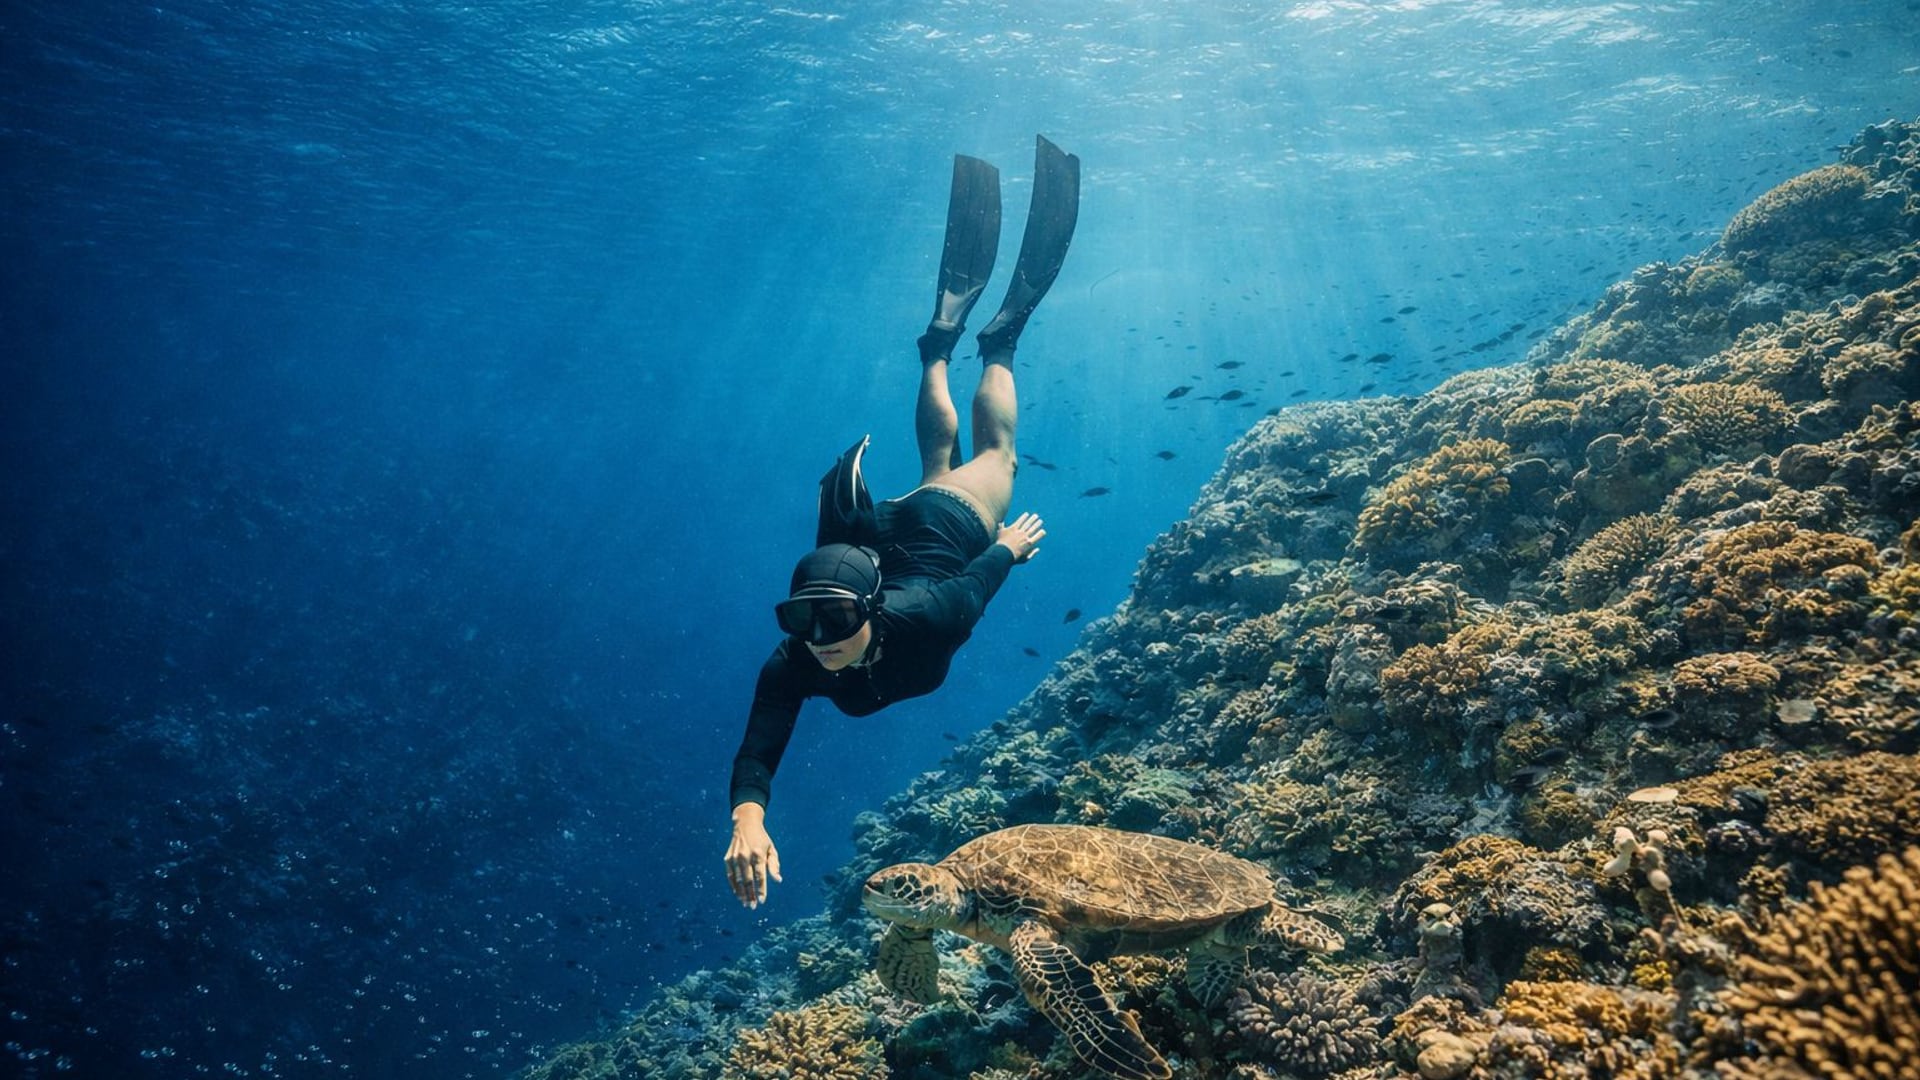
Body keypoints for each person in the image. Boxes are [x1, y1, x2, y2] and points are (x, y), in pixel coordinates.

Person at [725, 136, 1081, 909]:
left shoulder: (925, 615)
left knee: (995, 456)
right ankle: (935, 352)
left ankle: (997, 344)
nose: (818, 643)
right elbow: (760, 747)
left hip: (949, 530)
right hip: (885, 539)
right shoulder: (798, 658)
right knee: (935, 460)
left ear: (868, 609)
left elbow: (975, 583)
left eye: (828, 624)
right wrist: (746, 822)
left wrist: (1010, 548)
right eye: (804, 625)